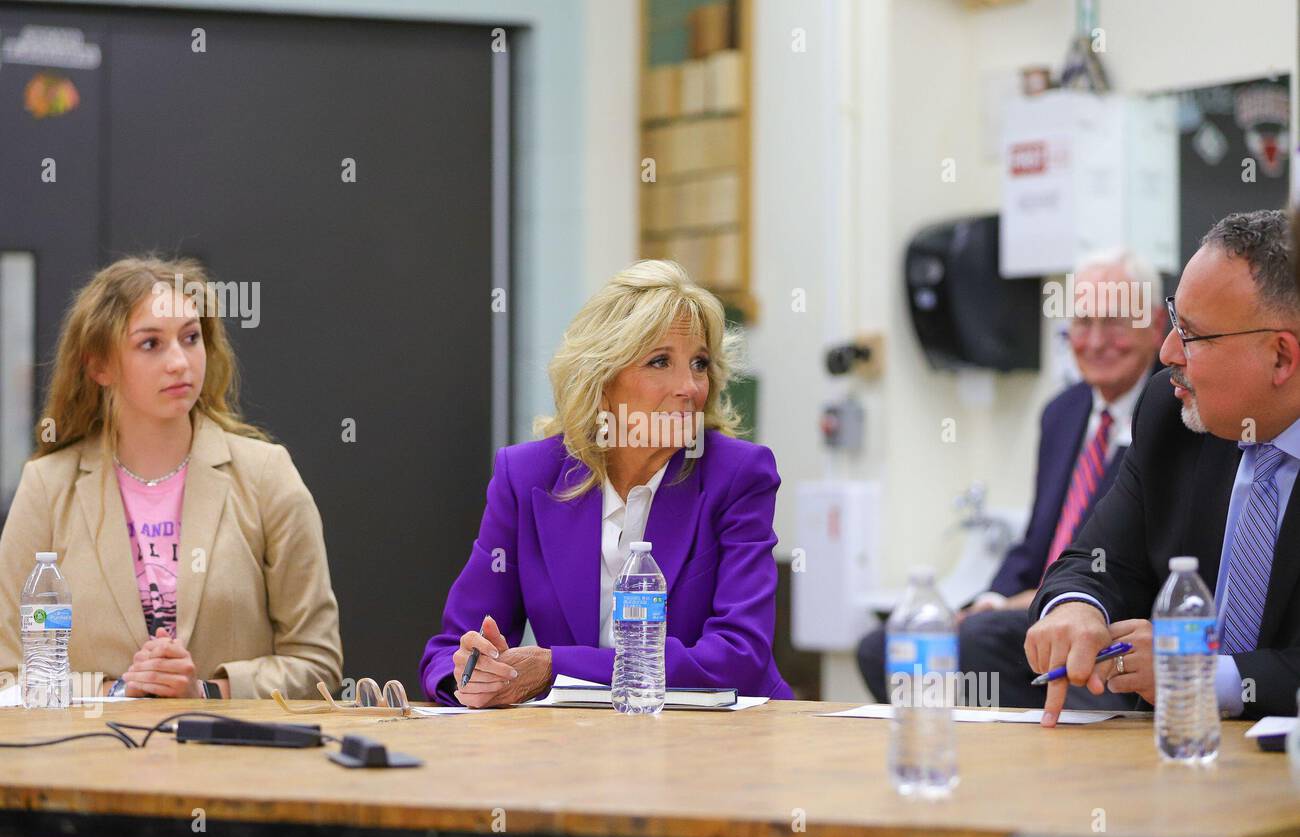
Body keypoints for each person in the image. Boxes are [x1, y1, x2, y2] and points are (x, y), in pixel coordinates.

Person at [419, 259, 792, 706]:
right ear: (602, 379)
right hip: (581, 748)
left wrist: (555, 668)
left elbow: (737, 658)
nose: (690, 387)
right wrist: (472, 674)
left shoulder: (737, 475)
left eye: (699, 364)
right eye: (660, 361)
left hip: (723, 747)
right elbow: (448, 652)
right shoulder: (527, 476)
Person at [0, 256, 342, 699]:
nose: (180, 362)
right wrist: (120, 691)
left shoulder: (266, 474)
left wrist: (206, 692)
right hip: (90, 759)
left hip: (230, 761)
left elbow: (317, 665)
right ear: (99, 366)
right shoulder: (47, 485)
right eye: (151, 344)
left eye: (191, 338)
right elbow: (8, 672)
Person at [857, 251, 1164, 708]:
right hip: (1029, 608)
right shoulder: (1063, 413)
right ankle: (946, 753)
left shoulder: (1167, 414)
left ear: (1156, 325)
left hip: (1102, 614)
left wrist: (1020, 605)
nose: (1096, 341)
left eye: (1115, 321)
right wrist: (992, 597)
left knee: (981, 640)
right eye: (1082, 322)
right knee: (880, 647)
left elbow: (1126, 560)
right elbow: (1035, 542)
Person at [1029, 209, 1300, 725]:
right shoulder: (1172, 415)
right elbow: (1097, 558)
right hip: (1170, 763)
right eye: (1174, 320)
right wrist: (1076, 606)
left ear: (1281, 358)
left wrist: (1198, 675)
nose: (1167, 350)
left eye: (1194, 336)